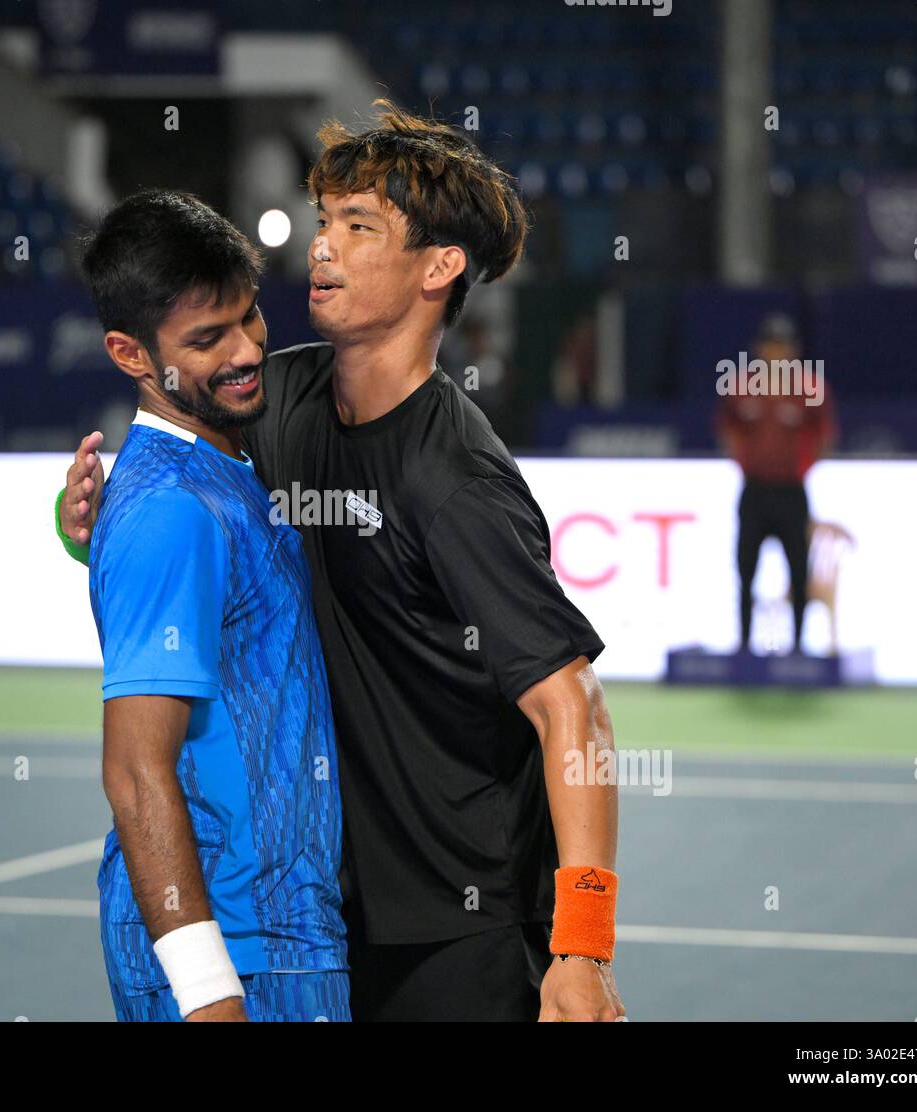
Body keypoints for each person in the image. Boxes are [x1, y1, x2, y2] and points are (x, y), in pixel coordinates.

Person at [57, 101, 626, 1022]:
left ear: (439, 268)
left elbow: (576, 711)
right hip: (322, 915)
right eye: (325, 223)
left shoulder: (459, 481)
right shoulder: (270, 396)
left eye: (359, 228)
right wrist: (77, 518)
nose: (323, 248)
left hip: (459, 928)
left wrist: (584, 943)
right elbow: (174, 498)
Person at [74, 190, 348, 1022]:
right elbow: (133, 766)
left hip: (281, 935)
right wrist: (205, 989)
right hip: (238, 954)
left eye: (248, 317)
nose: (244, 352)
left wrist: (74, 530)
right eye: (206, 339)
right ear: (129, 353)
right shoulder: (172, 508)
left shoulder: (220, 466)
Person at [716, 315, 837, 654]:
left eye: (782, 346)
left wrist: (800, 467)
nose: (776, 353)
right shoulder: (741, 386)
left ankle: (798, 646)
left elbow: (824, 436)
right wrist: (746, 463)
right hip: (754, 491)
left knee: (798, 568)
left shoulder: (810, 389)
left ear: (794, 351)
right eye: (770, 345)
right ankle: (742, 644)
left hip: (790, 493)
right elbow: (729, 430)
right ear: (759, 349)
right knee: (745, 569)